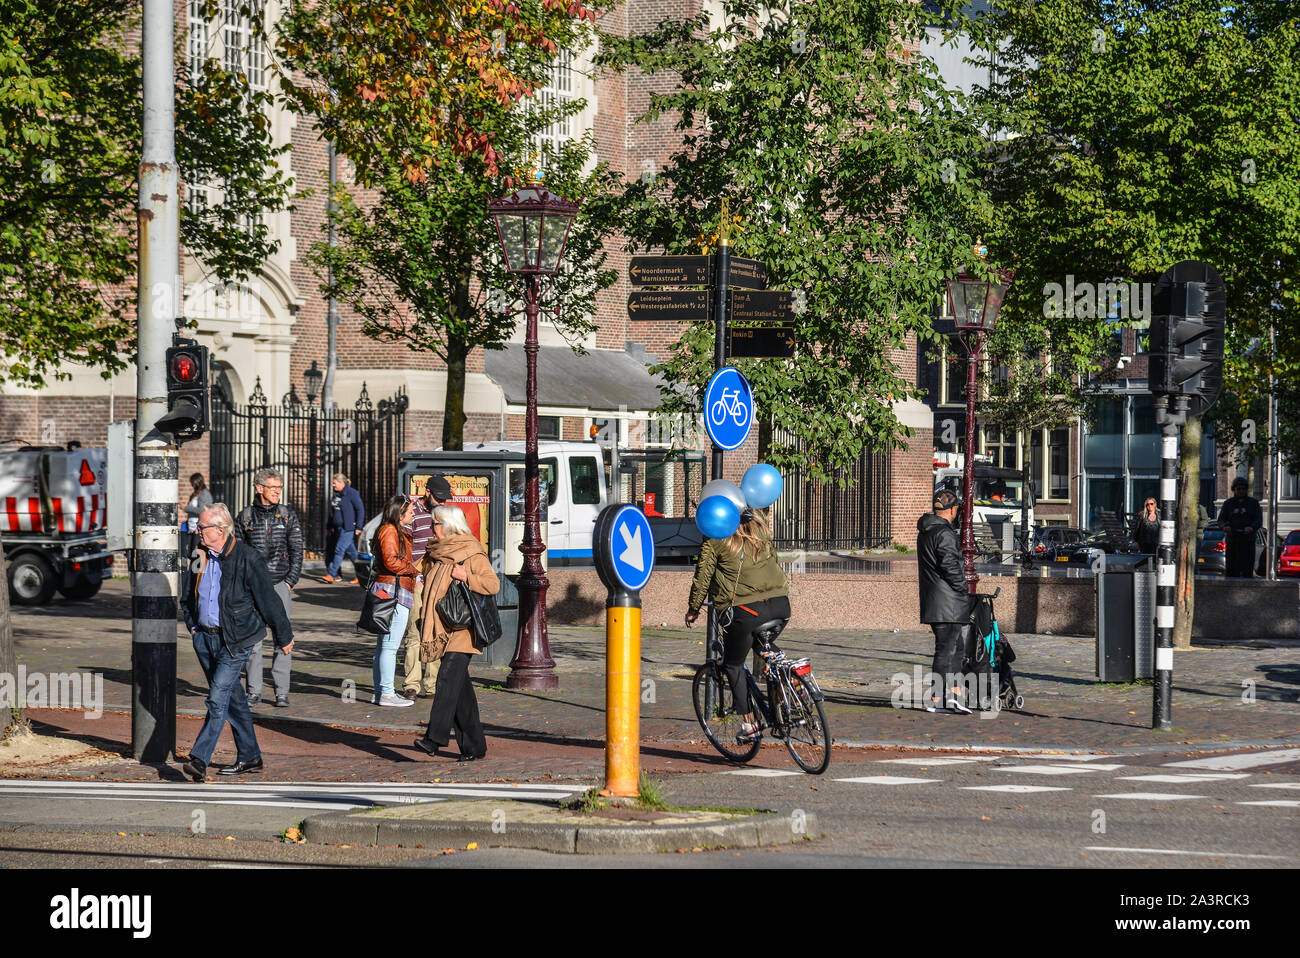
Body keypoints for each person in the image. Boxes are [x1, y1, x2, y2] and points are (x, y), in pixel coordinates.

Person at [179, 503, 293, 782]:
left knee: (217, 698)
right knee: (233, 700)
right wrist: (194, 628)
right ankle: (250, 756)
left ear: (220, 529)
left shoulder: (246, 557)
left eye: (203, 527)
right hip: (205, 639)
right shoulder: (198, 555)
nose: (198, 530)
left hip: (236, 640)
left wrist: (284, 635)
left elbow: (269, 599)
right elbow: (186, 597)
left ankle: (199, 759)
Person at [684, 509, 790, 743]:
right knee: (766, 649)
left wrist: (693, 609)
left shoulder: (716, 538)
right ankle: (787, 693)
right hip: (781, 604)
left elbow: (703, 575)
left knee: (733, 665)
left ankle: (749, 725)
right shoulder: (759, 528)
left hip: (745, 610)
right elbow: (774, 559)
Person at [412, 505, 499, 760]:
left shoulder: (470, 551)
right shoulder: (437, 554)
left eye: (436, 524)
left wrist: (467, 575)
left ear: (449, 526)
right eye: (432, 523)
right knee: (461, 694)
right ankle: (474, 747)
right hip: (443, 628)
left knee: (447, 681)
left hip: (463, 630)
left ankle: (434, 739)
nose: (432, 528)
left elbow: (492, 584)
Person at [234, 467, 302, 708]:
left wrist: (290, 580)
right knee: (253, 639)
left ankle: (281, 692)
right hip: (253, 588)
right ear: (259, 488)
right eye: (273, 488)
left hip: (280, 584)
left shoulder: (287, 515)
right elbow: (238, 554)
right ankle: (254, 691)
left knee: (283, 638)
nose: (277, 492)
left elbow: (297, 549)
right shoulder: (244, 517)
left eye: (280, 488)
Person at [916, 488, 974, 714]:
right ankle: (941, 697)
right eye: (957, 509)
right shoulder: (944, 534)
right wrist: (962, 588)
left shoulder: (926, 531)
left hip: (935, 599)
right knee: (949, 649)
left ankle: (949, 696)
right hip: (947, 601)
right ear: (952, 510)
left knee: (953, 648)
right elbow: (950, 566)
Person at [400, 479, 450, 700]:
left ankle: (432, 685)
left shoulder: (445, 515)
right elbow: (405, 549)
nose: (441, 501)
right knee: (414, 633)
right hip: (418, 582)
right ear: (426, 492)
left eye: (444, 497)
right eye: (438, 497)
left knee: (436, 633)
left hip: (439, 583)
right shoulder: (413, 513)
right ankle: (411, 684)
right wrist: (415, 576)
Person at [371, 495, 420, 707]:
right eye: (410, 512)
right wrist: (413, 570)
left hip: (391, 588)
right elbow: (391, 561)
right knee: (390, 647)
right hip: (395, 590)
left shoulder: (390, 530)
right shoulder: (390, 531)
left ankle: (381, 691)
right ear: (400, 514)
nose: (413, 514)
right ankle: (387, 694)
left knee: (384, 646)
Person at [324, 473, 365, 583]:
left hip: (348, 528)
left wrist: (359, 527)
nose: (333, 485)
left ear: (342, 483)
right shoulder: (337, 494)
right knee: (352, 553)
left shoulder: (352, 493)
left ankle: (331, 575)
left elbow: (360, 510)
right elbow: (332, 513)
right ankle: (361, 575)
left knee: (339, 550)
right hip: (338, 529)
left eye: (334, 483)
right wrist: (329, 526)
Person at [1218, 477, 1263, 578]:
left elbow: (1259, 520)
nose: (1241, 491)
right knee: (1231, 567)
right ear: (1234, 490)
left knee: (1247, 567)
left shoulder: (1254, 503)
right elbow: (1220, 520)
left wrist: (1251, 527)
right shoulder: (1228, 503)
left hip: (1247, 540)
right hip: (1232, 539)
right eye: (1238, 489)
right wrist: (1225, 526)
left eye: (1243, 489)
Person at [181, 473, 213, 563]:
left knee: (197, 557)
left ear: (197, 482)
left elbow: (203, 511)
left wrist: (186, 508)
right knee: (191, 555)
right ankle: (192, 575)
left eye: (192, 483)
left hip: (198, 529)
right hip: (191, 528)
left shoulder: (204, 494)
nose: (192, 485)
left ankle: (196, 576)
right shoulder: (195, 494)